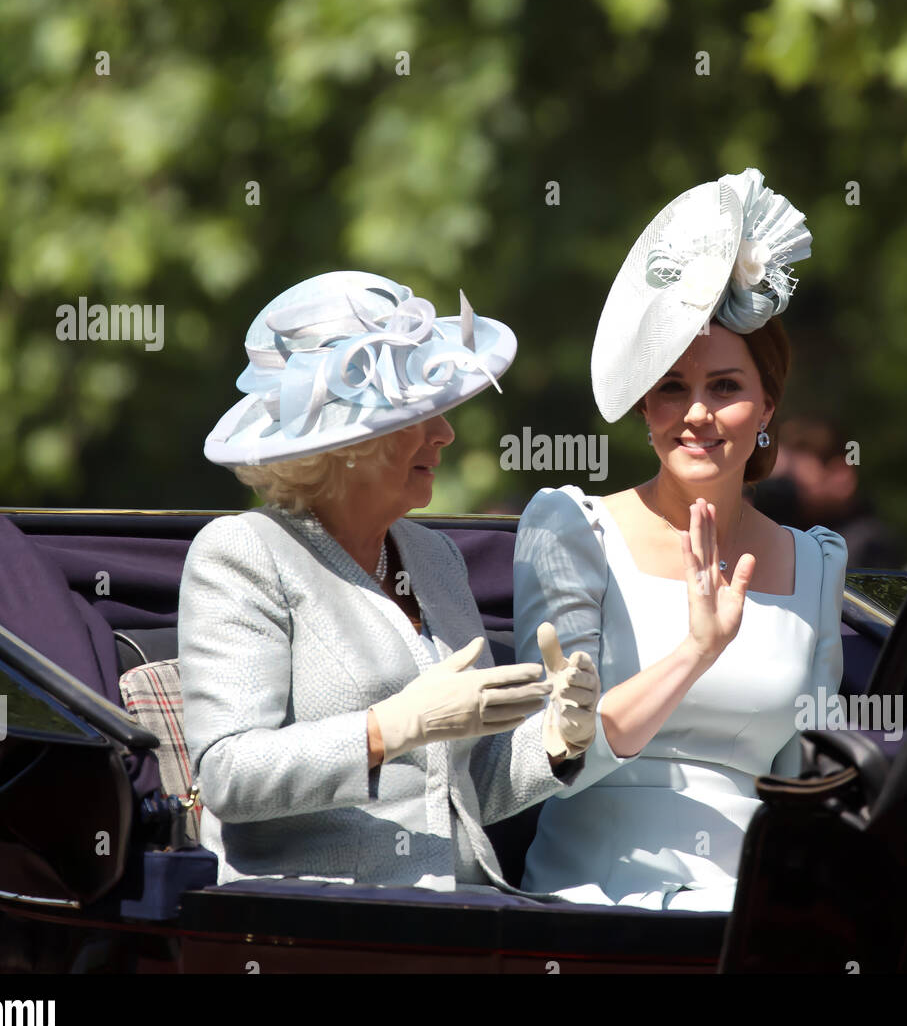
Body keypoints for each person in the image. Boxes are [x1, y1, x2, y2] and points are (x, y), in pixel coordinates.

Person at [180, 271, 601, 891]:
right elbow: (229, 775)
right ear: (344, 442)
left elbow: (460, 788)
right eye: (417, 416)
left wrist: (556, 738)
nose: (446, 432)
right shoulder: (243, 552)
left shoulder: (435, 558)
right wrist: (389, 728)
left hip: (464, 917)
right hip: (317, 927)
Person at [513, 169, 847, 911]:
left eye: (724, 387)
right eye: (670, 386)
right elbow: (542, 755)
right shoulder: (571, 526)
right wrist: (696, 651)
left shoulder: (820, 562)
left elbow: (809, 782)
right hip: (590, 910)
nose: (695, 412)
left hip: (749, 923)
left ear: (768, 403)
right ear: (644, 407)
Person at [751, 416, 905, 569]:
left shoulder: (867, 545)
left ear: (840, 476)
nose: (781, 489)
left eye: (790, 477)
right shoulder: (779, 529)